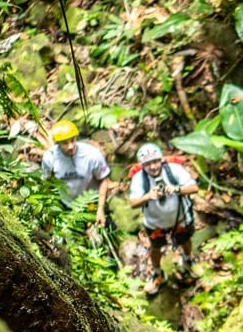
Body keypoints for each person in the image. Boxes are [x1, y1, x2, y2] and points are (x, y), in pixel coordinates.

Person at [128, 142, 199, 295]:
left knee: (185, 240)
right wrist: (148, 196)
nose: (153, 167)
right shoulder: (139, 179)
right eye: (148, 164)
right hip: (155, 223)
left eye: (155, 161)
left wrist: (177, 189)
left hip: (181, 218)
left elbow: (194, 188)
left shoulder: (174, 170)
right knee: (155, 247)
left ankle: (187, 260)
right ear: (142, 165)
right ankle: (157, 272)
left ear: (161, 159)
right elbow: (133, 203)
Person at [40, 119, 111, 227]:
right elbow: (48, 183)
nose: (71, 146)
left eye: (73, 140)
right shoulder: (50, 157)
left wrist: (100, 209)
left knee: (99, 230)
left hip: (90, 203)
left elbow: (103, 180)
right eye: (65, 143)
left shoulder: (91, 154)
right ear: (58, 143)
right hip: (65, 204)